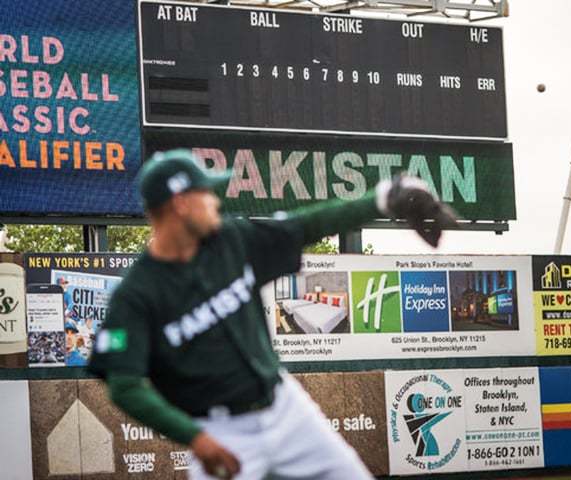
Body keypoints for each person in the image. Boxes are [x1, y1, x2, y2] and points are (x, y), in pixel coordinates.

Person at [88, 149, 457, 480]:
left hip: (285, 408)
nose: (216, 201)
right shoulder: (136, 295)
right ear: (181, 204)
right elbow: (125, 385)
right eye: (207, 193)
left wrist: (384, 199)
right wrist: (196, 440)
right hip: (220, 433)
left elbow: (305, 225)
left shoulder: (231, 240)